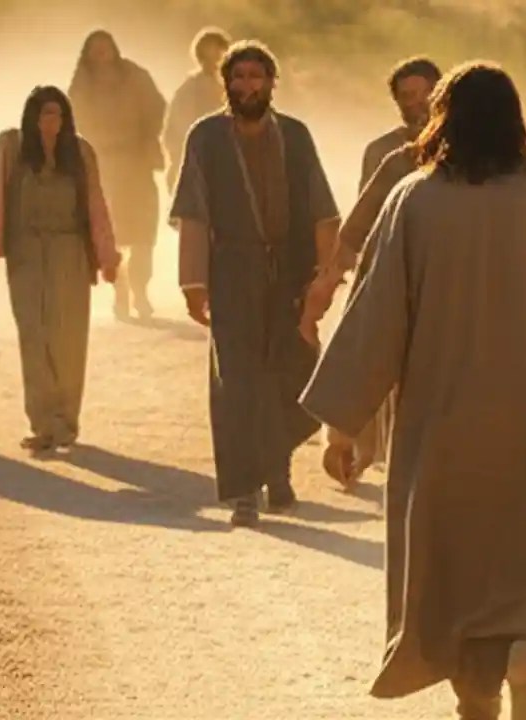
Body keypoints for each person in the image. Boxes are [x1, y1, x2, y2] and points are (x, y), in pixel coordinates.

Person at [302, 61, 526, 720]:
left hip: (438, 433)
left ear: (445, 119)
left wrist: (344, 427)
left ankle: (477, 698)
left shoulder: (416, 200)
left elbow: (376, 320)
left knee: (456, 579)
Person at [172, 40, 339, 526]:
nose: (248, 86)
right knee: (239, 381)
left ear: (271, 82)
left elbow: (321, 209)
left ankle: (278, 470)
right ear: (226, 83)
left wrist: (322, 277)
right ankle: (246, 490)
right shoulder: (206, 137)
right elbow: (194, 214)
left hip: (288, 270)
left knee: (289, 372)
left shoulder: (295, 135)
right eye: (239, 77)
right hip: (231, 272)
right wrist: (193, 284)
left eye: (256, 77)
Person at [310, 59, 444, 487]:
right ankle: (360, 448)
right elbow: (360, 227)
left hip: (454, 290)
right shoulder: (388, 157)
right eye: (407, 96)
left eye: (425, 92)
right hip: (398, 281)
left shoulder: (481, 154)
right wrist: (329, 284)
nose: (418, 103)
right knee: (378, 367)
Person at [0, 86, 122, 452]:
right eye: (45, 114)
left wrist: (107, 257)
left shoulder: (80, 152)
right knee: (34, 336)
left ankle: (66, 422)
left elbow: (95, 204)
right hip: (26, 250)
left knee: (68, 338)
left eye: (58, 114)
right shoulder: (11, 147)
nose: (51, 121)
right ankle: (43, 423)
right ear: (32, 117)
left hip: (69, 250)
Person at [68, 29, 166, 321]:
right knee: (112, 234)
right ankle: (120, 291)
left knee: (144, 234)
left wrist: (147, 135)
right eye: (95, 50)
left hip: (137, 162)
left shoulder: (135, 76)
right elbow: (72, 118)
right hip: (102, 166)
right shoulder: (82, 84)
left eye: (105, 48)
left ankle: (141, 289)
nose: (101, 55)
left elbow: (158, 107)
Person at [163, 26, 231, 190]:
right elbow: (176, 130)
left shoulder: (236, 85)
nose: (216, 56)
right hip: (198, 165)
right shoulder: (190, 89)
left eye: (220, 50)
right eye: (211, 50)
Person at [359, 57, 442, 189]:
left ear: (439, 94)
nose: (412, 103)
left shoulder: (458, 146)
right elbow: (367, 207)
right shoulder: (381, 151)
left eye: (423, 95)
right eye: (406, 96)